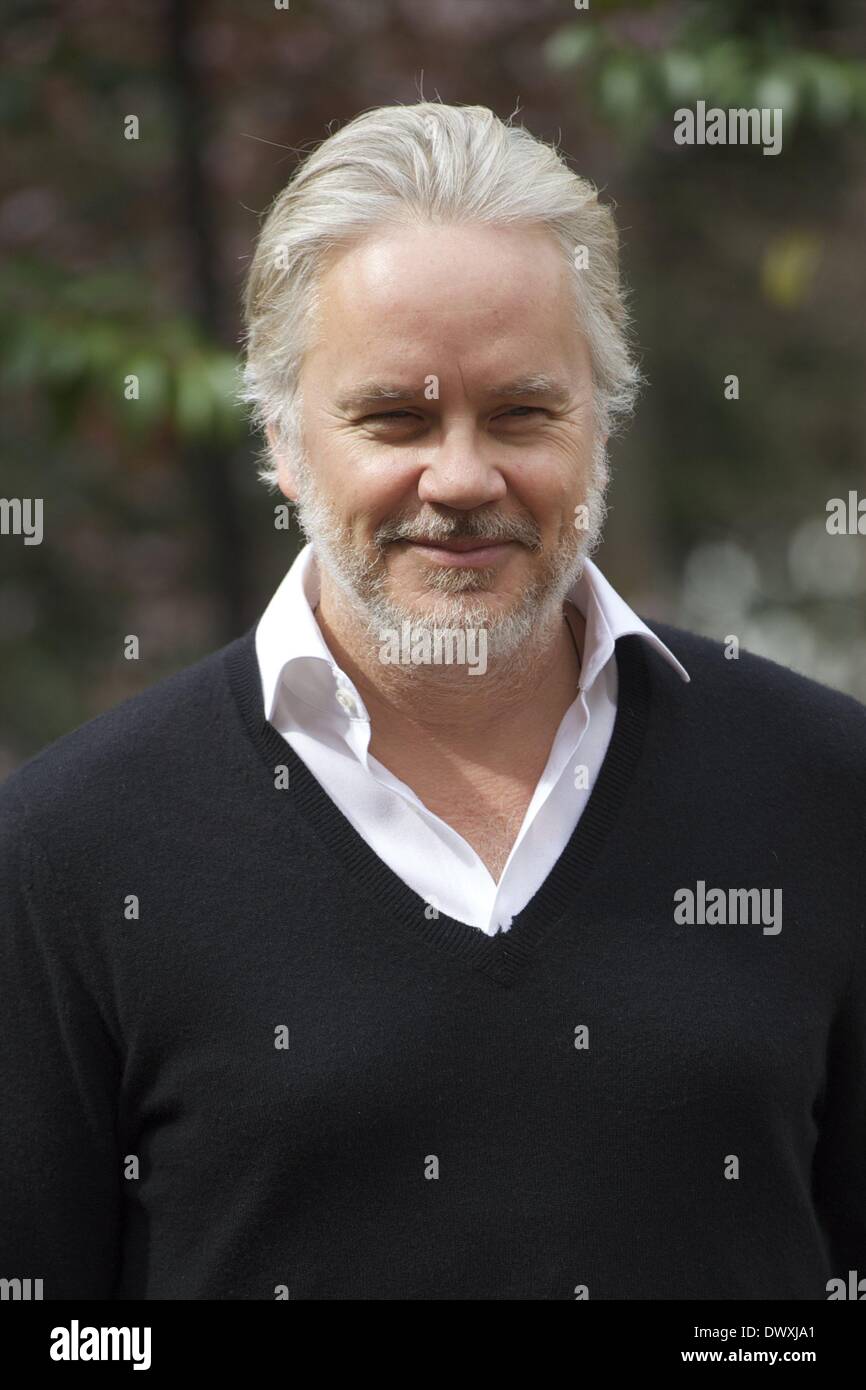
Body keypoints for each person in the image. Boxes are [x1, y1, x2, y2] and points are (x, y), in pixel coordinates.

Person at [1, 102, 864, 1301]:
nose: (460, 478)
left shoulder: (826, 789)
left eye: (520, 412)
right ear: (285, 440)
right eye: (395, 418)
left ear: (600, 424)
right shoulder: (67, 853)